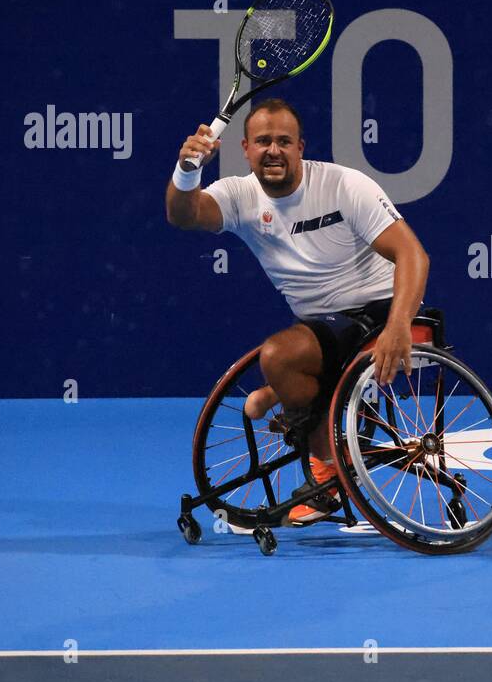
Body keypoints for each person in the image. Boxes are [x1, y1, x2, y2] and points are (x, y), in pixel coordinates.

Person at [165, 98, 430, 524]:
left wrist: (399, 325)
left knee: (278, 356)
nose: (274, 150)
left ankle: (325, 472)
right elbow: (183, 215)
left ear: (301, 147)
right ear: (246, 150)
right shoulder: (238, 195)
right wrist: (188, 169)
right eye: (264, 141)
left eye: (284, 141)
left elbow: (413, 255)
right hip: (322, 327)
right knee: (286, 359)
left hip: (379, 309)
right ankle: (301, 410)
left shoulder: (345, 185)